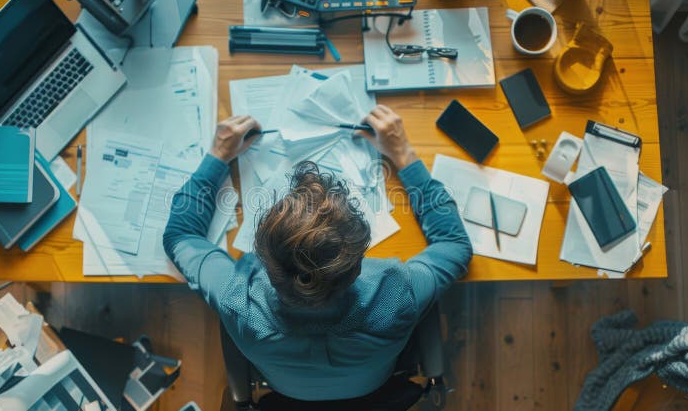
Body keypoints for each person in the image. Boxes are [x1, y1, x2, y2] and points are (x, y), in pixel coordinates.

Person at [163, 105, 472, 401]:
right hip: (374, 385)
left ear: (264, 259)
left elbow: (181, 235)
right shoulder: (395, 295)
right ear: (358, 259)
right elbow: (455, 245)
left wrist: (218, 155)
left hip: (287, 392)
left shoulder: (239, 301)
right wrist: (404, 155)